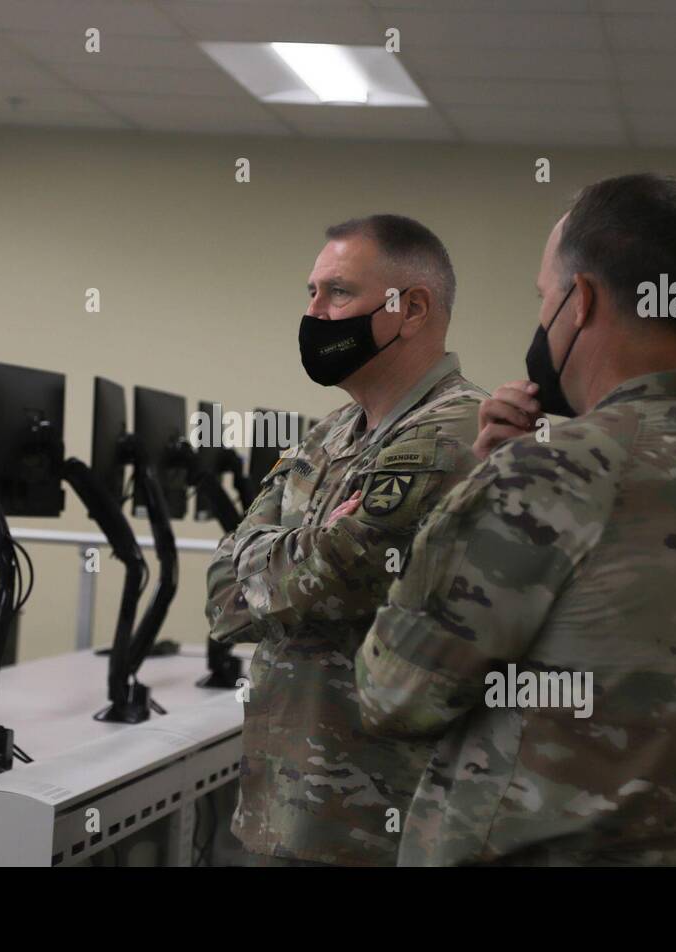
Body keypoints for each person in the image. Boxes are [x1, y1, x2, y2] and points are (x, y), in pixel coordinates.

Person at [356, 174, 676, 866]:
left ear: (581, 300)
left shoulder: (549, 474)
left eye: (545, 298)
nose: (542, 320)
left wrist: (478, 498)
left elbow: (394, 693)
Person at [205, 214, 487, 866]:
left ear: (410, 309)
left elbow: (329, 580)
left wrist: (293, 551)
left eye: (337, 294)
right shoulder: (330, 432)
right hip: (288, 807)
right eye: (311, 293)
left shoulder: (452, 434)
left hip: (381, 824)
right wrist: (305, 548)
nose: (315, 314)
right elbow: (224, 592)